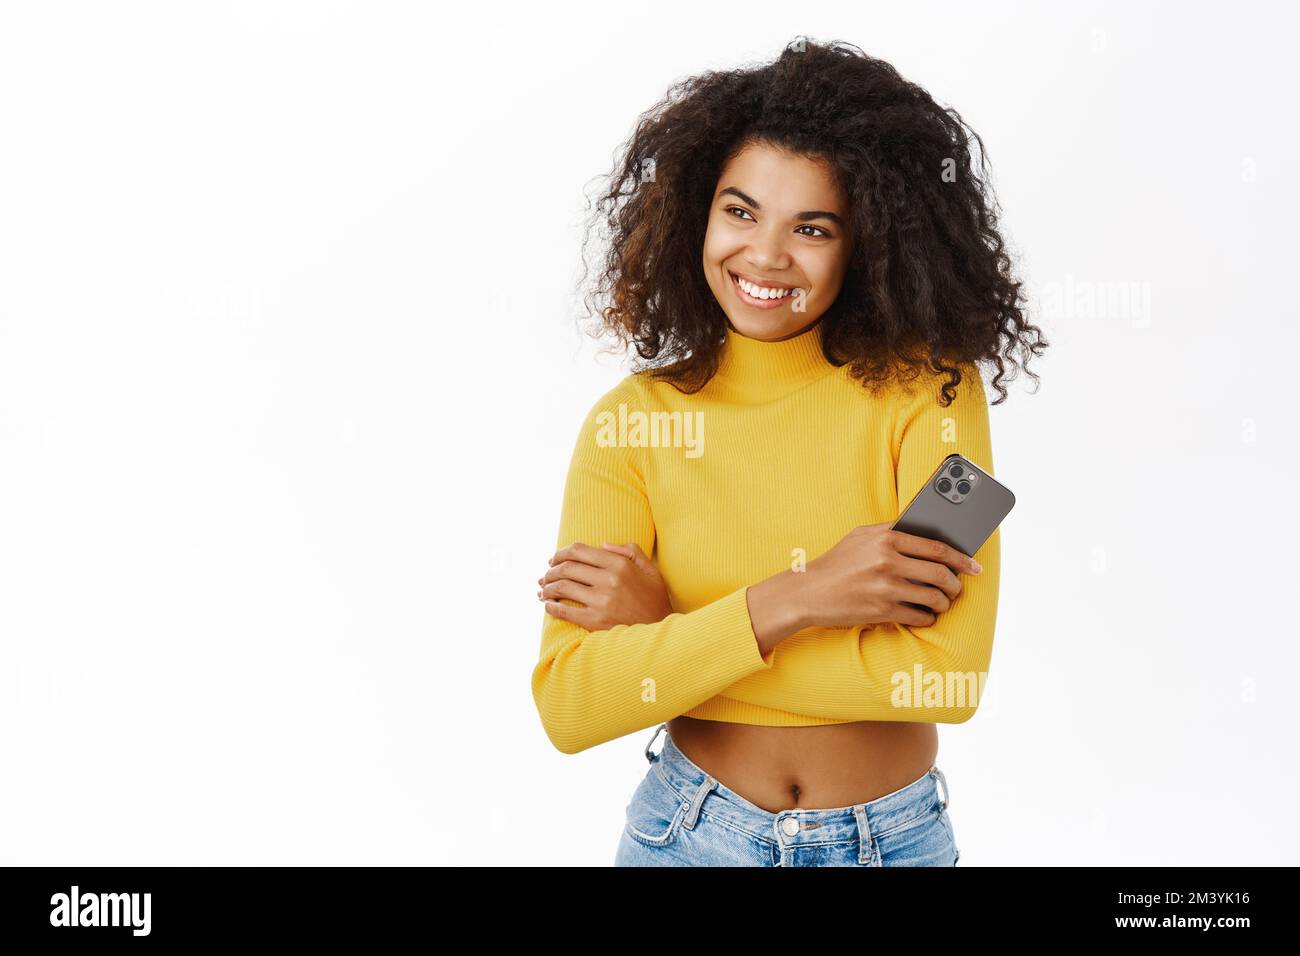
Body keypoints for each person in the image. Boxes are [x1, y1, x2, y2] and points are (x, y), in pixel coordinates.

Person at [531, 37, 1047, 866]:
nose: (765, 257)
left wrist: (668, 636)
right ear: (698, 210)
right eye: (740, 211)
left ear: (866, 242)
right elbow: (572, 704)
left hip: (893, 842)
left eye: (811, 227)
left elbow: (946, 677)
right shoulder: (632, 422)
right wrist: (800, 598)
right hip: (686, 835)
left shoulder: (935, 395)